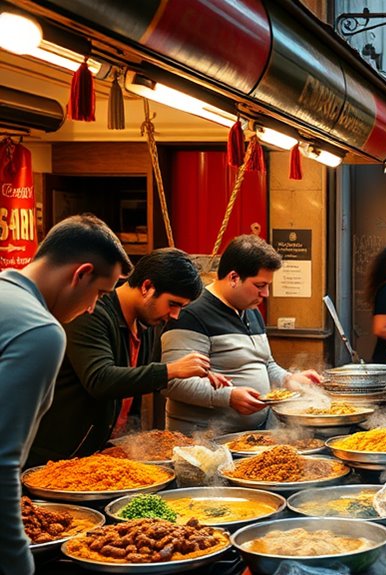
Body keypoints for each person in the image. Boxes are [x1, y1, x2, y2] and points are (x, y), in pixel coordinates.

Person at [0, 214, 130, 575]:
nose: (92, 308)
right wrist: (16, 562)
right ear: (81, 273)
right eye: (100, 294)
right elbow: (3, 460)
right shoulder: (39, 330)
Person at [28, 248, 222, 468]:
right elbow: (100, 379)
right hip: (53, 454)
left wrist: (195, 371)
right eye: (173, 304)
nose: (175, 315)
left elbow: (140, 376)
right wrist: (172, 370)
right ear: (147, 287)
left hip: (97, 452)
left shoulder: (146, 323)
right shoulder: (91, 312)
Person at [162, 235, 322, 434]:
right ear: (234, 278)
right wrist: (229, 396)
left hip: (251, 436)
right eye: (259, 286)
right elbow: (173, 382)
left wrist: (288, 379)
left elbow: (266, 363)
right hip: (203, 440)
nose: (266, 294)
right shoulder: (191, 313)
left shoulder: (251, 311)